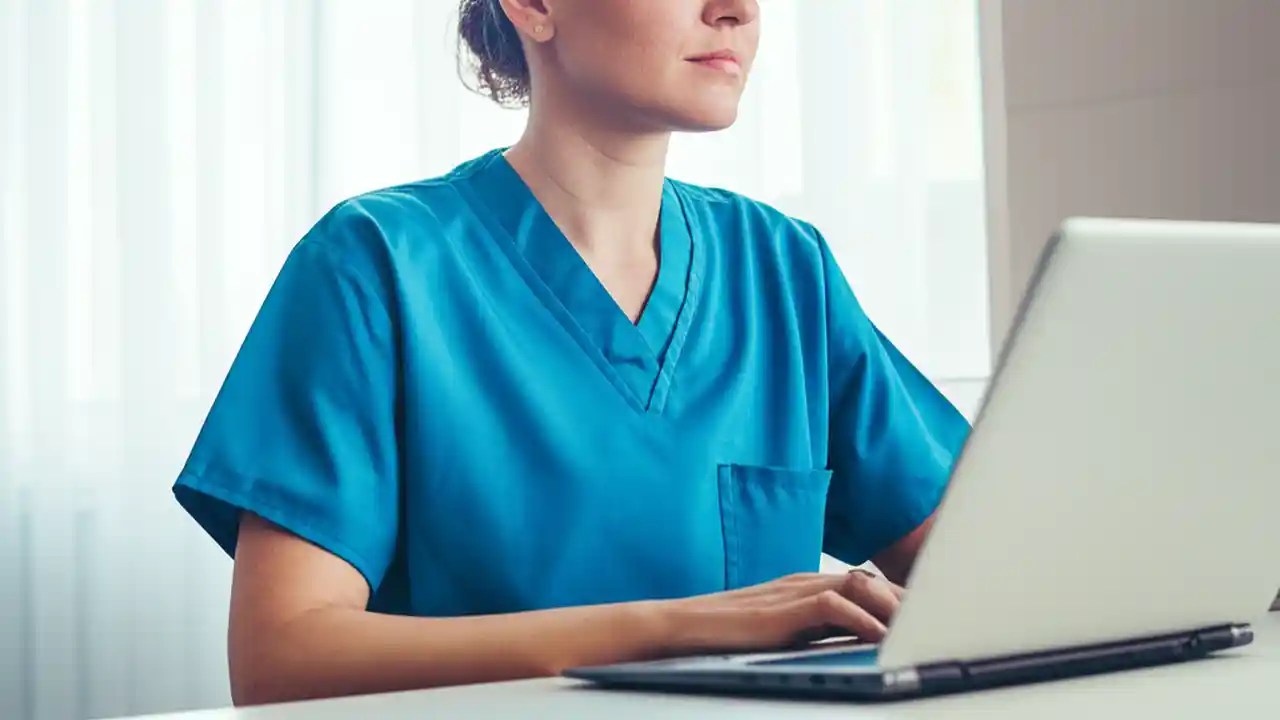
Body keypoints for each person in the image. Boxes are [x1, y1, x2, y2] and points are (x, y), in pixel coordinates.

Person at [173, 0, 969, 706]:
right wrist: (677, 629)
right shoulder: (377, 263)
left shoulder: (785, 270)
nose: (737, 8)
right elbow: (281, 657)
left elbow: (986, 565)